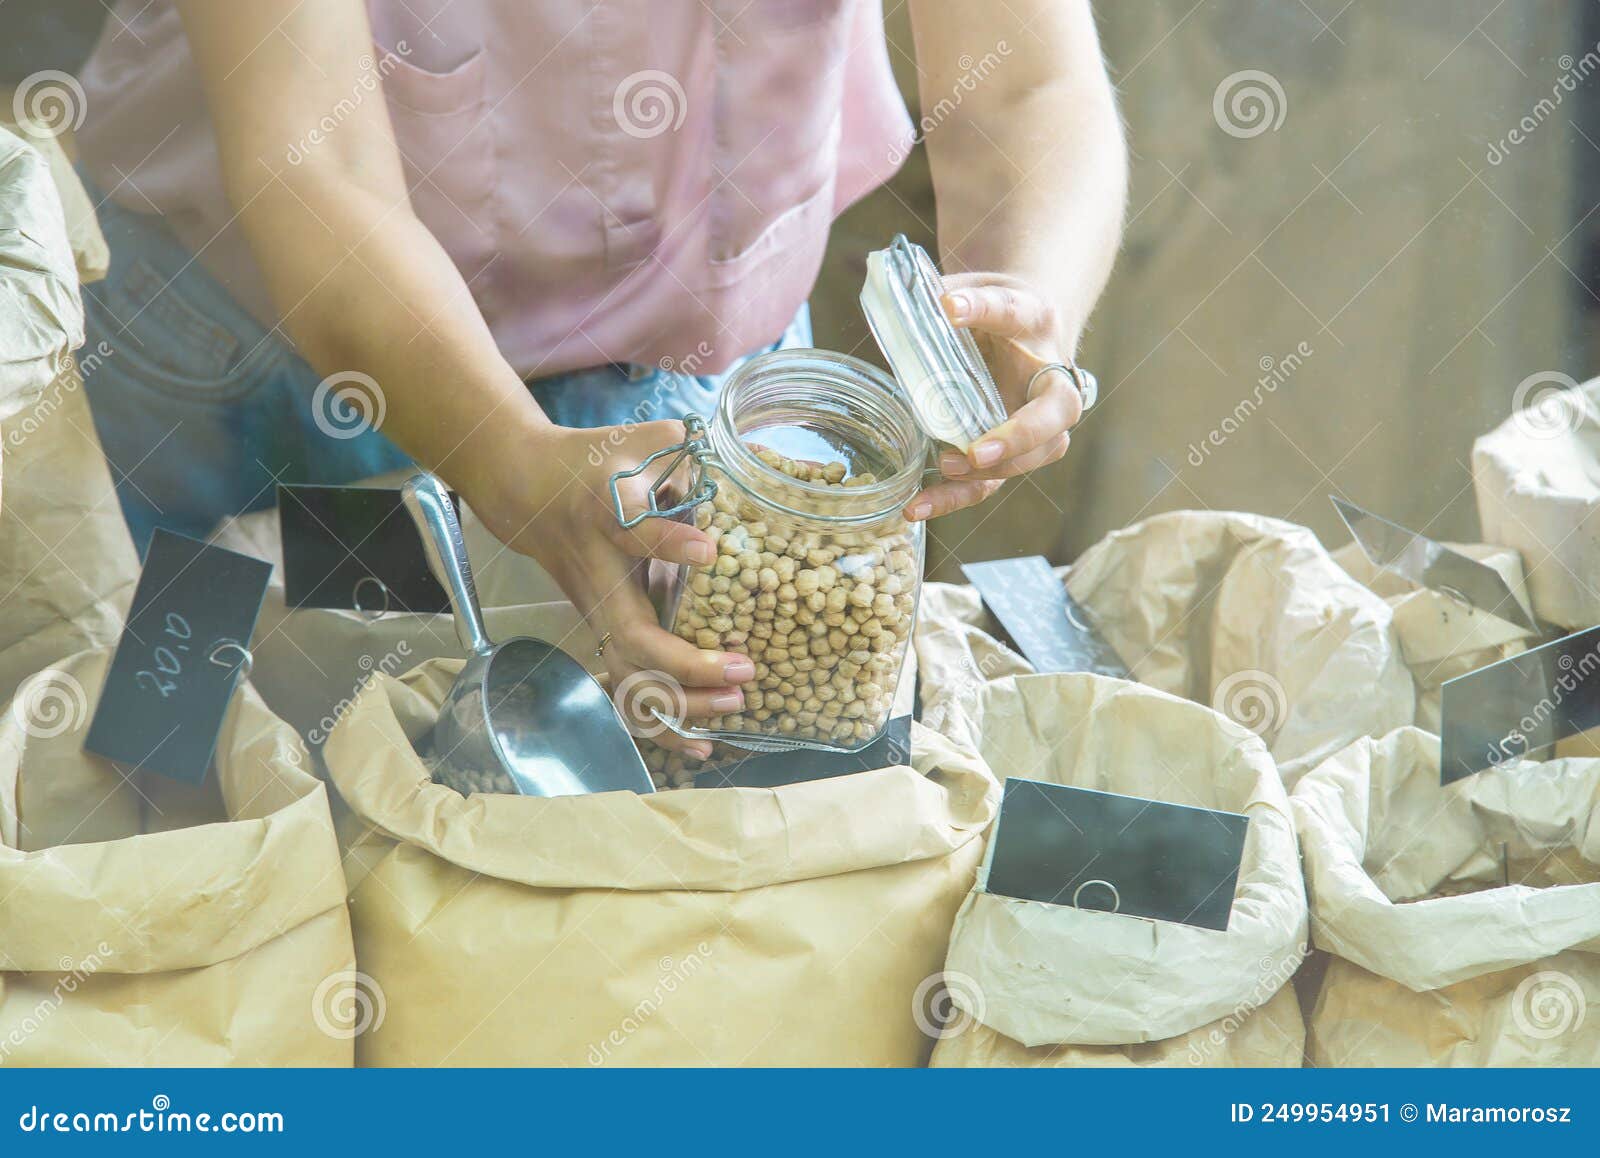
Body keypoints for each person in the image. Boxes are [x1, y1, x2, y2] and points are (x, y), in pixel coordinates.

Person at [71, 0, 1126, 756]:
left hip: (683, 383)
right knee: (157, 773)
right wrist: (509, 459)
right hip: (260, 351)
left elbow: (1026, 80)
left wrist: (1025, 297)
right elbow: (312, 164)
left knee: (592, 823)